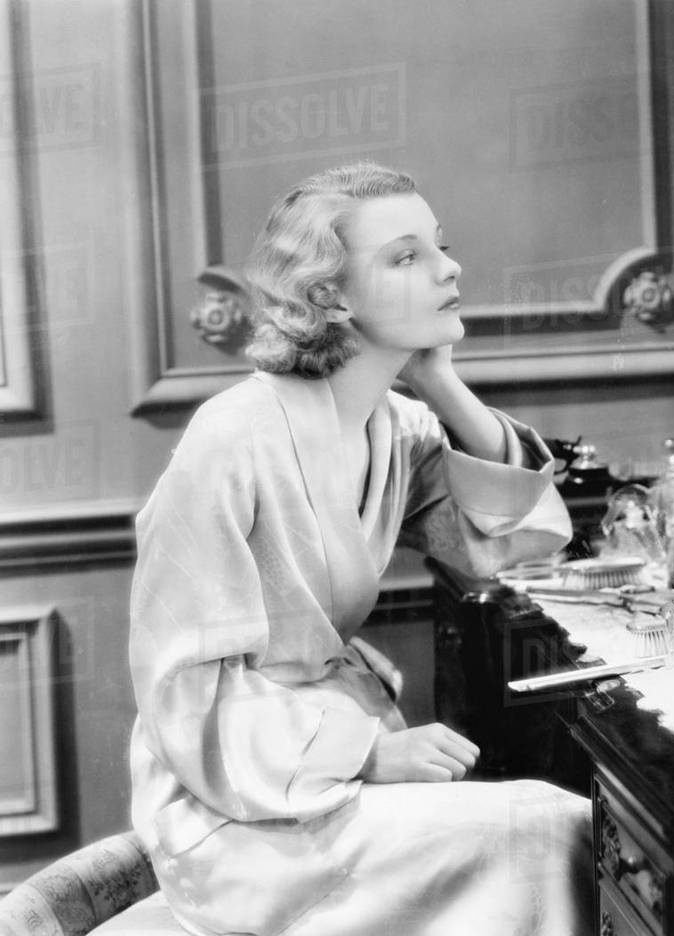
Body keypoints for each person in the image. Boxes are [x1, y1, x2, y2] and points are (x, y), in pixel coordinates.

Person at [127, 163, 593, 936]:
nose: (451, 269)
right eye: (406, 257)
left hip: (326, 759)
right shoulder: (233, 438)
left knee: (548, 820)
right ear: (329, 297)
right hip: (238, 799)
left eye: (439, 248)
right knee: (548, 825)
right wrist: (367, 757)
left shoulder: (398, 427)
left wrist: (441, 385)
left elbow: (522, 546)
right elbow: (179, 689)